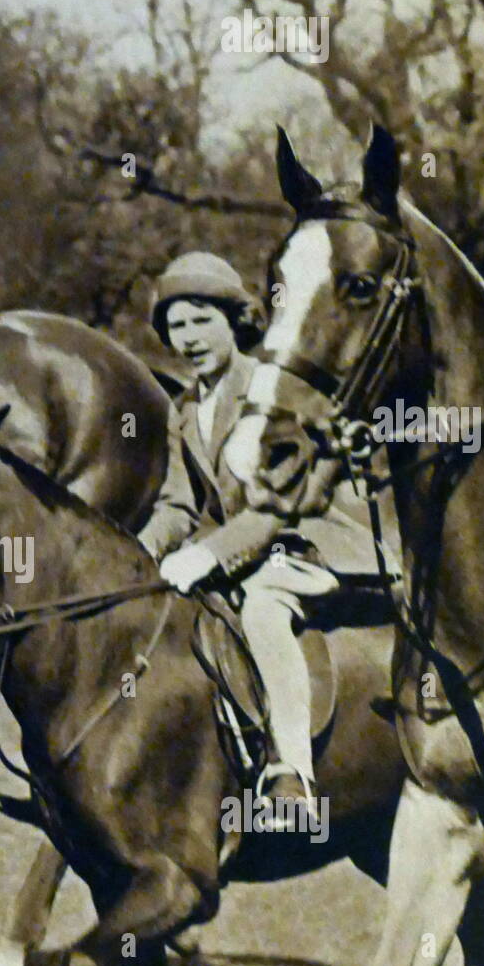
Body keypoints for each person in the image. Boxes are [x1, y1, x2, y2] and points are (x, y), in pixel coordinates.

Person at [141, 252, 379, 826]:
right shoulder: (183, 410)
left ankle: (292, 773)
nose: (189, 337)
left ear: (234, 320)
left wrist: (207, 554)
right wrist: (142, 554)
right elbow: (178, 503)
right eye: (177, 325)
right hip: (235, 556)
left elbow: (277, 506)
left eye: (202, 319)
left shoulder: (274, 393)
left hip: (305, 541)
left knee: (264, 611)